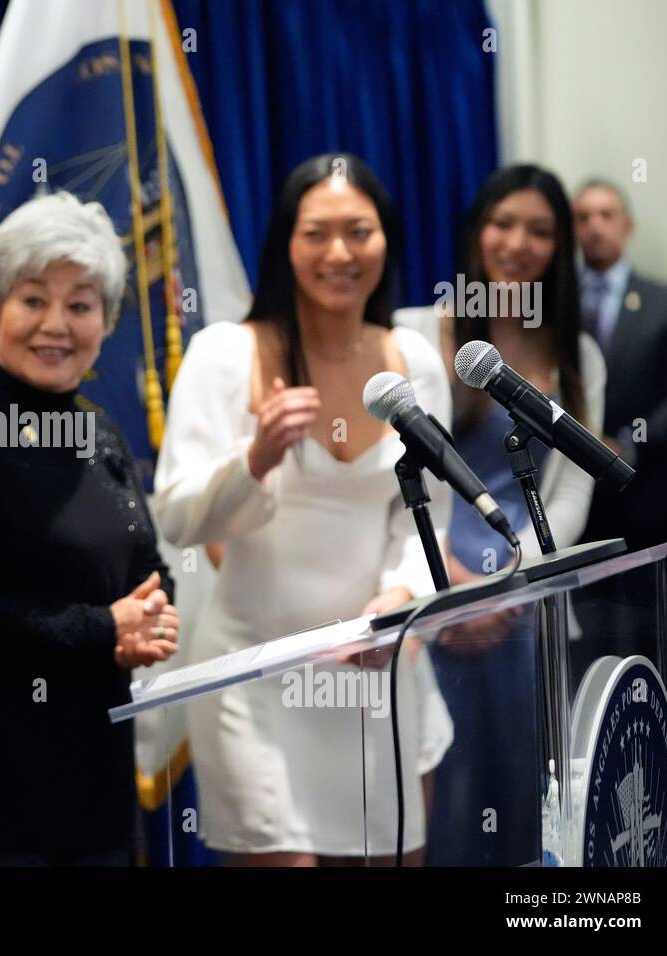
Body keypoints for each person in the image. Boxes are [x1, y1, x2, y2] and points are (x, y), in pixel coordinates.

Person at [153, 154, 453, 866]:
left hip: (378, 675)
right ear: (286, 244)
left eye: (361, 231)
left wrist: (401, 599)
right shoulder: (224, 354)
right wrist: (253, 460)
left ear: (387, 242)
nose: (341, 253)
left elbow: (427, 519)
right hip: (255, 681)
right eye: (317, 233)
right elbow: (177, 519)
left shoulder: (414, 359)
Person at [0, 192, 180, 866]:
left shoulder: (101, 430)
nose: (56, 323)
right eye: (33, 299)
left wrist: (156, 614)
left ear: (106, 322)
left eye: (80, 304)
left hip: (98, 781)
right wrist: (104, 629)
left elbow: (145, 567)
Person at [426, 164, 606, 865]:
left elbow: (571, 494)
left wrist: (508, 583)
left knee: (532, 792)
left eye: (539, 229)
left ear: (559, 247)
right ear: (476, 235)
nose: (518, 243)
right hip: (436, 590)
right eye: (503, 223)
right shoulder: (420, 332)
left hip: (529, 598)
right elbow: (394, 485)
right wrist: (455, 584)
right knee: (450, 794)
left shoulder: (579, 355)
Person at [575, 179, 667, 552]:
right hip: (574, 494)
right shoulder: (551, 307)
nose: (595, 226)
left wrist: (627, 445)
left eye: (606, 215)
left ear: (628, 225)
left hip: (649, 492)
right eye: (583, 217)